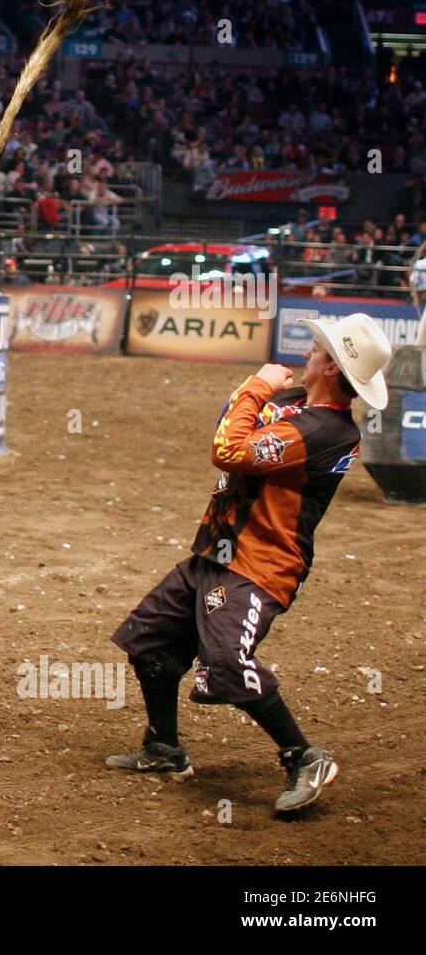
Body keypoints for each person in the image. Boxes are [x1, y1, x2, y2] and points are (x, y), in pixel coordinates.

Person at [106, 313, 393, 814]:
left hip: (257, 566)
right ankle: (164, 748)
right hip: (216, 554)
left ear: (330, 369)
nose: (308, 353)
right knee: (149, 641)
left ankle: (305, 756)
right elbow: (230, 420)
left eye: (318, 351)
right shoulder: (302, 411)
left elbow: (228, 448)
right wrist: (255, 396)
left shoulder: (325, 431)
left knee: (226, 663)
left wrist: (256, 387)